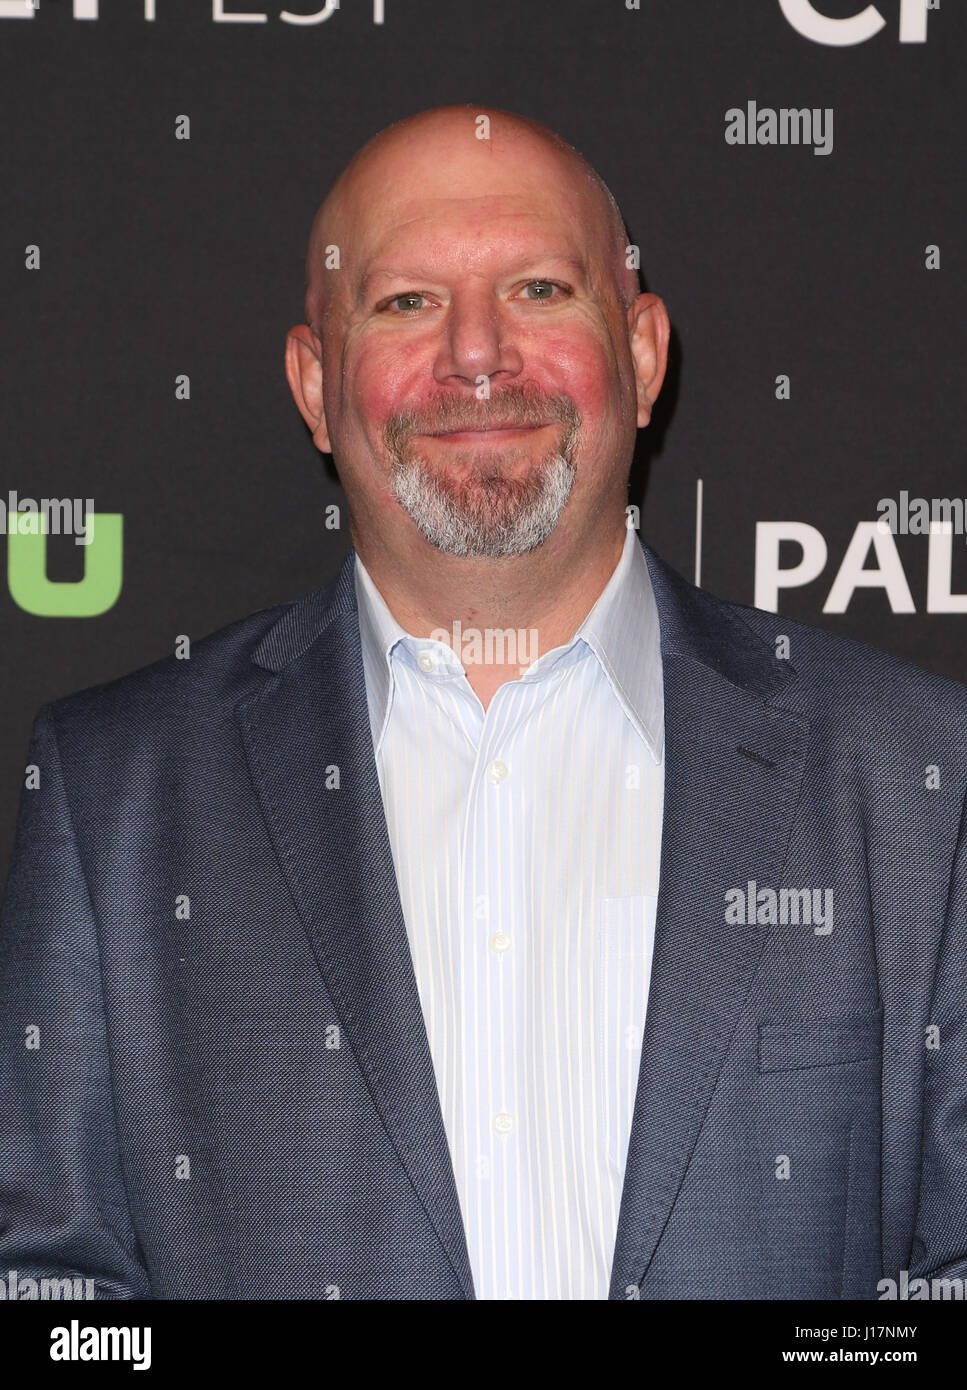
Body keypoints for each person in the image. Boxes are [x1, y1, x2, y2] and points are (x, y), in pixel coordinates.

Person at [1, 104, 965, 1301]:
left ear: (644, 353)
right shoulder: (115, 796)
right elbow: (51, 1296)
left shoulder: (914, 775)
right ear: (313, 383)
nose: (474, 355)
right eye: (406, 301)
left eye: (540, 292)